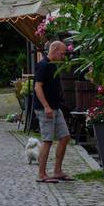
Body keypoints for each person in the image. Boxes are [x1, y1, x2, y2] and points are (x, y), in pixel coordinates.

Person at [33, 40, 71, 181]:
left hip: (56, 107)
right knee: (47, 140)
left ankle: (57, 171)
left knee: (65, 137)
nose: (64, 56)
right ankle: (41, 174)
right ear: (54, 49)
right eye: (62, 53)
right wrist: (46, 106)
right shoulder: (43, 65)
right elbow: (38, 87)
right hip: (46, 109)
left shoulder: (53, 65)